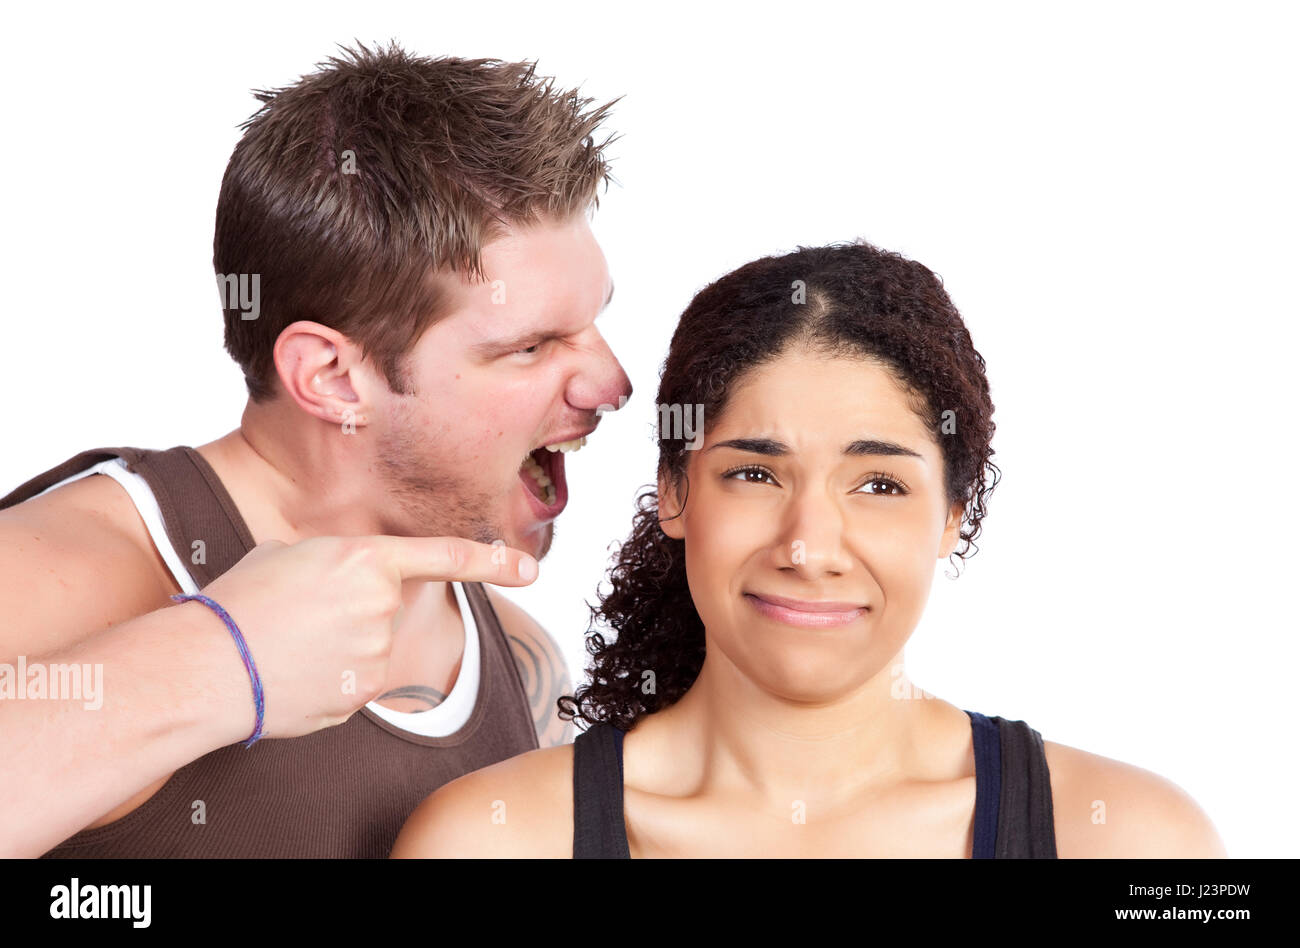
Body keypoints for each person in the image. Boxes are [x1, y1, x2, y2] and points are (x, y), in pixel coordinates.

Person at [392, 239, 1227, 858]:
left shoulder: (1140, 841)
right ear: (675, 492)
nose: (809, 546)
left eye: (879, 485)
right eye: (756, 474)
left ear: (953, 518)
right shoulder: (485, 842)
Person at [0, 42, 632, 858]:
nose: (611, 383)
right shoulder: (63, 571)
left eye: (595, 322)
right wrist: (220, 661)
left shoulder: (520, 658)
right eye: (531, 347)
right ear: (332, 377)